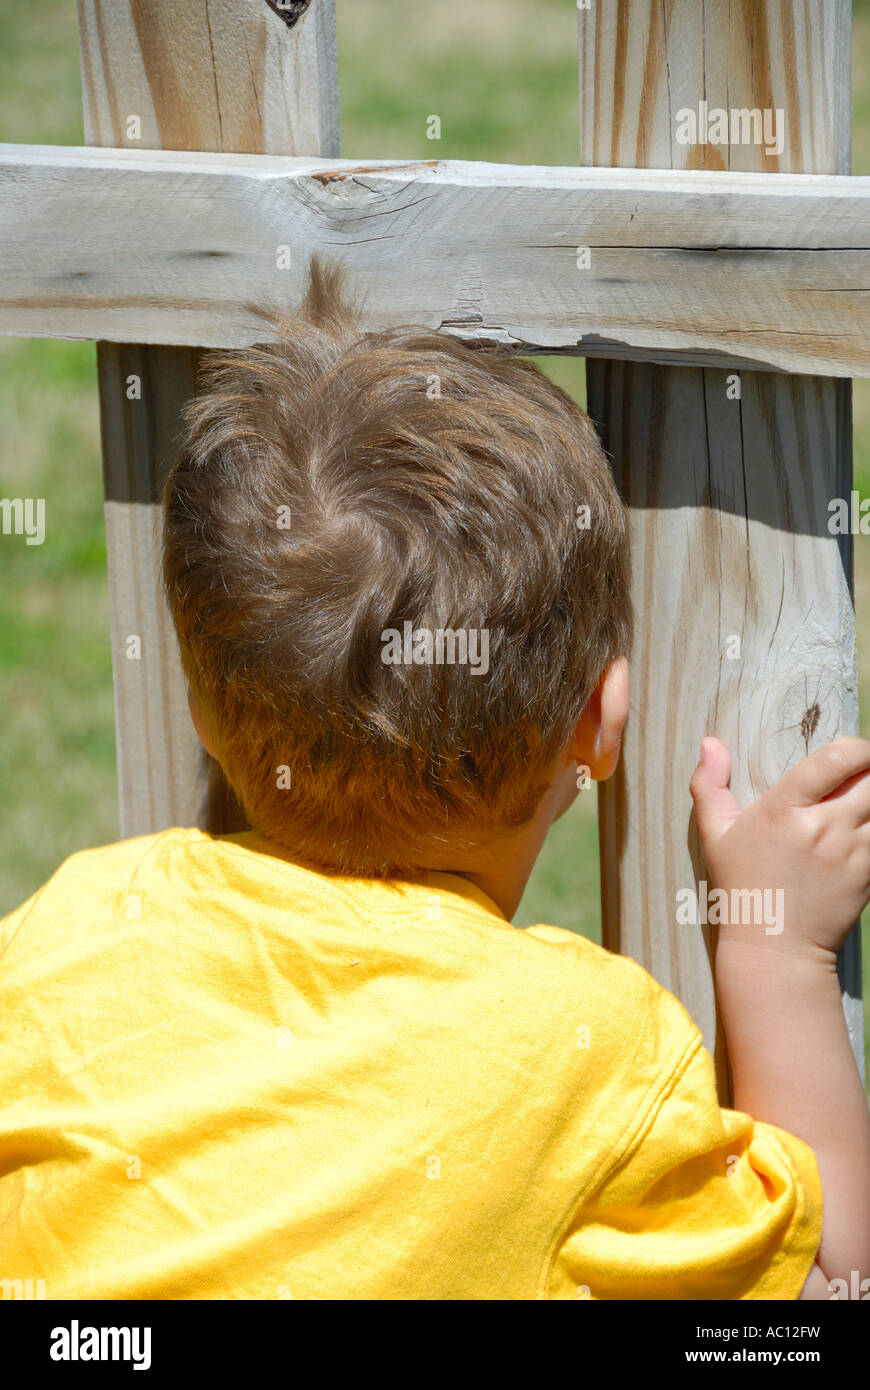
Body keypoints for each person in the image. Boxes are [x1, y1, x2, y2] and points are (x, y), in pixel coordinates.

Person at [1, 259, 868, 1300]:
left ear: (203, 716)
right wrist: (777, 952)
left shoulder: (64, 934)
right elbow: (825, 1293)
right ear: (600, 721)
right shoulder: (584, 1055)